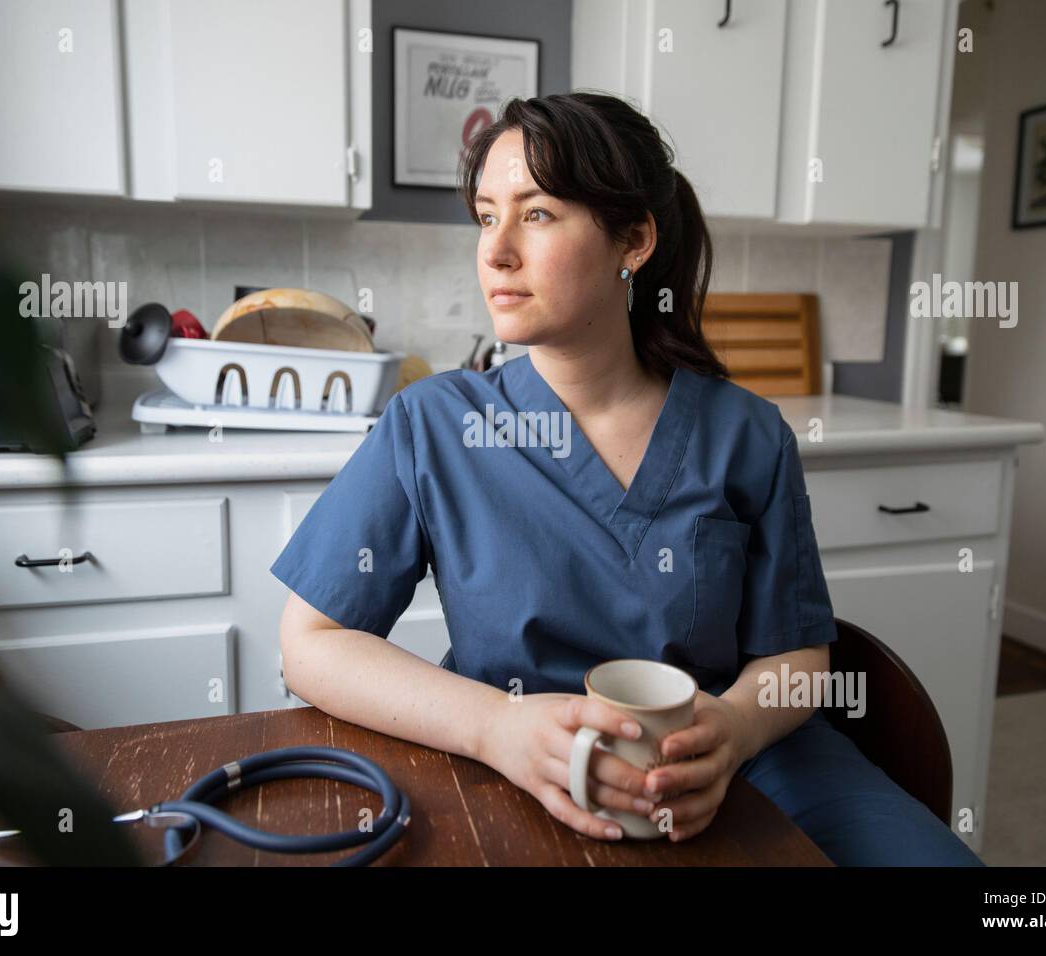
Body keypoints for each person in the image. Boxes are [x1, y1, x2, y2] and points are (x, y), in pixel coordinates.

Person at [271, 91, 983, 866]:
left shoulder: (746, 434)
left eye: (536, 214)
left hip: (753, 766)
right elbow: (312, 644)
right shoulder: (432, 426)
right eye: (486, 216)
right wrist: (494, 728)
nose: (496, 251)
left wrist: (736, 728)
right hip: (513, 770)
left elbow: (799, 655)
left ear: (633, 240)